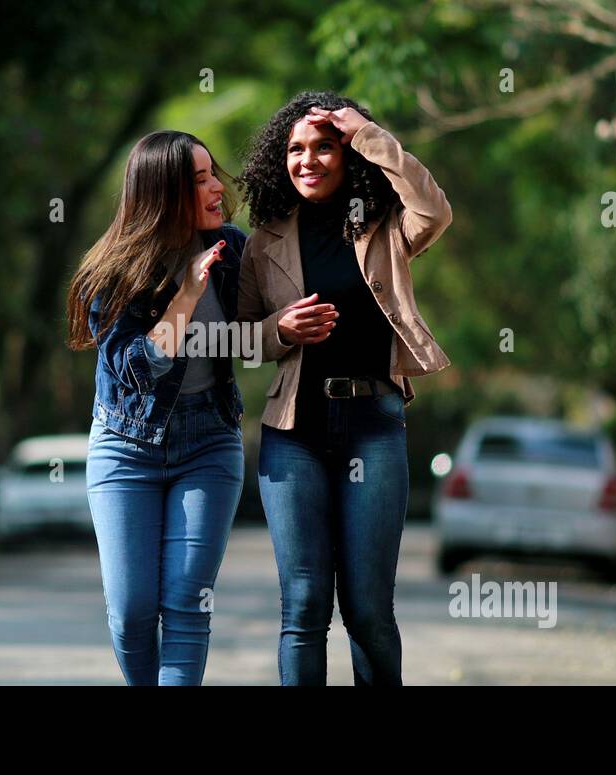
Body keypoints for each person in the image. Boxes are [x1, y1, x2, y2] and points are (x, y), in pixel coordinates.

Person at [236, 91, 453, 685]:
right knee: (303, 607)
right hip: (294, 435)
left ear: (347, 152)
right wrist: (278, 330)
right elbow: (236, 340)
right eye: (295, 149)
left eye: (324, 147)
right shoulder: (264, 240)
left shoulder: (383, 226)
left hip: (374, 426)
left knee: (367, 610)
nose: (308, 160)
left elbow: (434, 211)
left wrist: (368, 133)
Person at [64, 130, 247, 685]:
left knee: (188, 602)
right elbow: (139, 370)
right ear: (163, 194)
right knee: (131, 610)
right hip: (126, 447)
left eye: (214, 172)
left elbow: (259, 330)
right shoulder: (113, 272)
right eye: (200, 180)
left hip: (209, 442)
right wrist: (187, 296)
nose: (218, 187)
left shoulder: (233, 249)